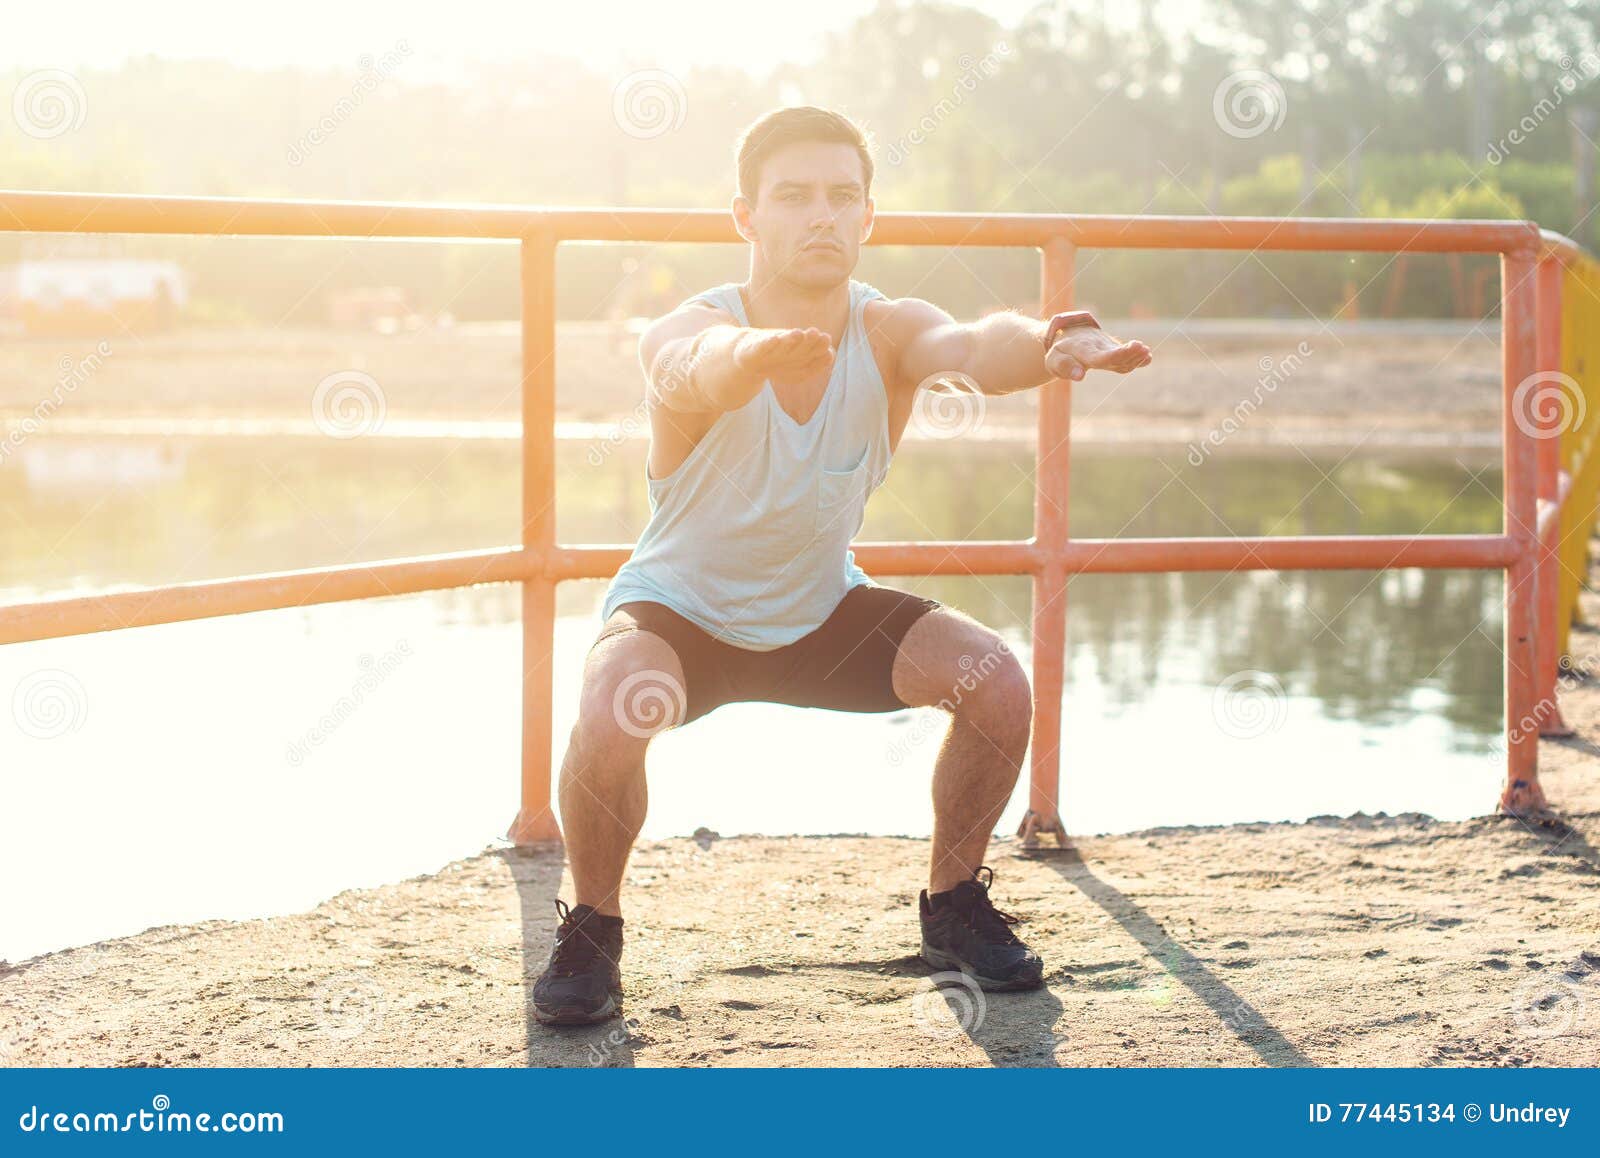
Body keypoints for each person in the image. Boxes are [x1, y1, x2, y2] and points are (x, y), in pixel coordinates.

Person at [534, 105, 1152, 1025]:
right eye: (792, 197)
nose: (820, 215)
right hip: (679, 617)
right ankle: (591, 936)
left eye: (841, 196)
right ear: (745, 215)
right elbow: (690, 368)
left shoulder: (891, 329)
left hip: (820, 612)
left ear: (869, 215)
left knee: (996, 682)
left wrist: (1053, 344)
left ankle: (953, 909)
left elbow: (974, 346)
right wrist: (756, 354)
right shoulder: (690, 325)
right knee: (612, 707)